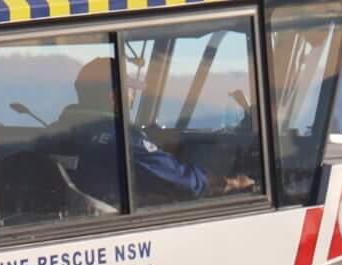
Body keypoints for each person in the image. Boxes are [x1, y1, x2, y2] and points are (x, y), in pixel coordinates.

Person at [57, 53, 255, 207]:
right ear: (114, 96)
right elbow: (185, 182)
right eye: (129, 90)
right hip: (116, 216)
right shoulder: (124, 139)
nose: (132, 97)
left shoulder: (58, 133)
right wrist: (231, 183)